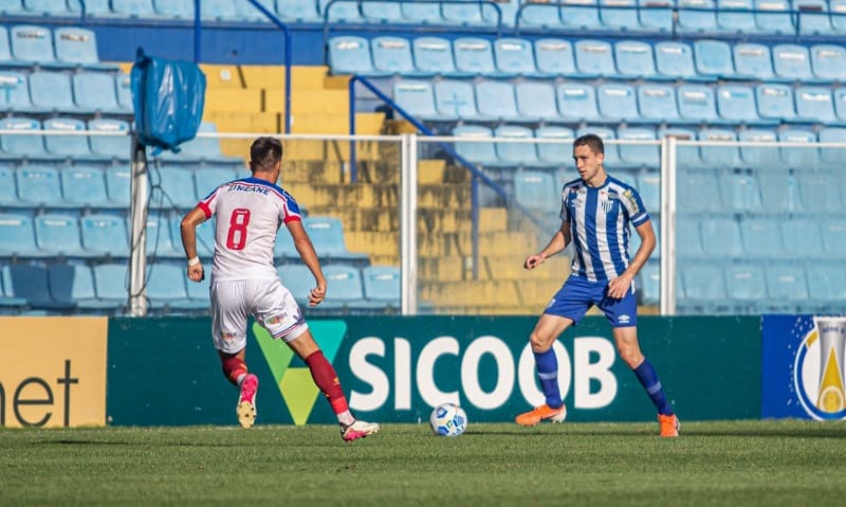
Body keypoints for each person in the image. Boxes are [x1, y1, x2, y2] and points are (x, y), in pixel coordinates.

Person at [180, 136, 380, 442]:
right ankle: (347, 421)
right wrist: (320, 278)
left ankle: (246, 380)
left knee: (231, 361)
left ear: (251, 164)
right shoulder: (280, 196)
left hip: (225, 284)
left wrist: (193, 261)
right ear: (279, 166)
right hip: (263, 284)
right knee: (311, 351)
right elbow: (300, 239)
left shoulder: (224, 190)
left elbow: (187, 223)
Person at [515, 133, 679, 437]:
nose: (579, 164)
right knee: (539, 339)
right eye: (576, 159)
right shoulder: (570, 192)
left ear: (600, 157)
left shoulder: (623, 194)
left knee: (629, 353)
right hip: (580, 280)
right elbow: (565, 232)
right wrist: (544, 254)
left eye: (584, 158)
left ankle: (667, 415)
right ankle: (554, 405)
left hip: (615, 282)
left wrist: (628, 276)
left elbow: (649, 239)